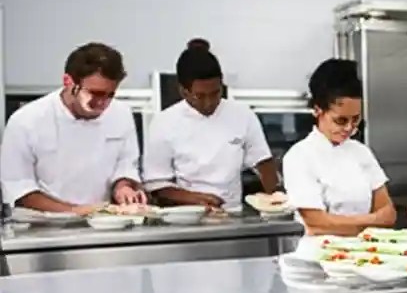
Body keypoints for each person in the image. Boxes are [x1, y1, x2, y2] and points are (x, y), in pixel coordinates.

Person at [0, 42, 146, 213]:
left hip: (104, 224)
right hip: (42, 228)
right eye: (95, 93)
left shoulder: (121, 114)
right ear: (68, 82)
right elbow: (19, 191)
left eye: (110, 95)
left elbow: (126, 165)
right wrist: (76, 211)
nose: (102, 103)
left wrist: (123, 187)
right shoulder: (26, 121)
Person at [142, 39, 280, 212]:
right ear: (183, 91)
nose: (209, 103)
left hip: (233, 213)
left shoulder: (242, 114)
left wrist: (277, 200)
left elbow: (263, 162)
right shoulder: (163, 123)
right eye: (200, 96)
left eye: (215, 93)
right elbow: (157, 185)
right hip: (187, 216)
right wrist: (197, 199)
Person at [282, 59, 395, 236]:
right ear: (318, 110)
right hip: (320, 255)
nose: (349, 128)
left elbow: (388, 215)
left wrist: (340, 222)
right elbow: (316, 222)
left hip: (366, 254)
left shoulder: (361, 152)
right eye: (341, 120)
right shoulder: (299, 156)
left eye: (355, 119)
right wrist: (371, 221)